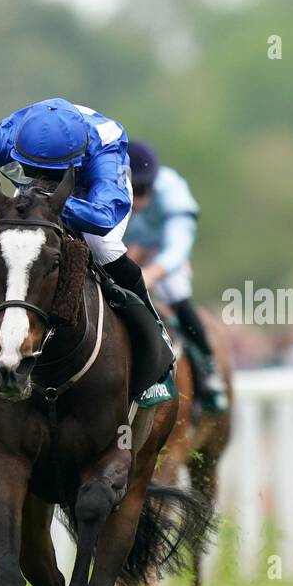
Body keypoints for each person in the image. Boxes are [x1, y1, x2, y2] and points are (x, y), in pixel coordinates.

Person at [0, 98, 174, 404]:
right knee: (9, 245)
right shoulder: (7, 137)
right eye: (33, 169)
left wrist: (47, 198)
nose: (41, 175)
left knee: (103, 247)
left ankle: (154, 338)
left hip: (91, 195)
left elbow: (104, 217)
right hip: (36, 194)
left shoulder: (105, 150)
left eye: (50, 172)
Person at [125, 140, 229, 413]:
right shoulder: (103, 184)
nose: (136, 201)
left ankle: (208, 369)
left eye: (142, 191)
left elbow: (177, 247)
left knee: (177, 295)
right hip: (124, 253)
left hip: (163, 257)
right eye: (130, 191)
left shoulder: (172, 190)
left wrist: (149, 274)